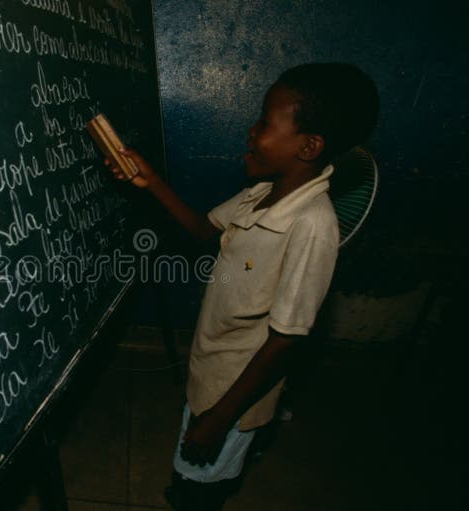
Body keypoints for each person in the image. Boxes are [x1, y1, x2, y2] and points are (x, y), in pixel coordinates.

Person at [105, 63, 379, 510]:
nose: (251, 131)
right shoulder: (261, 192)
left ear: (309, 146)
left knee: (204, 478)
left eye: (266, 122)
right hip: (213, 368)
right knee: (191, 463)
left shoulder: (313, 225)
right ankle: (188, 485)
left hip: (238, 391)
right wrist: (148, 180)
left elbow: (286, 339)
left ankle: (194, 495)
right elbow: (201, 230)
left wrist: (221, 417)